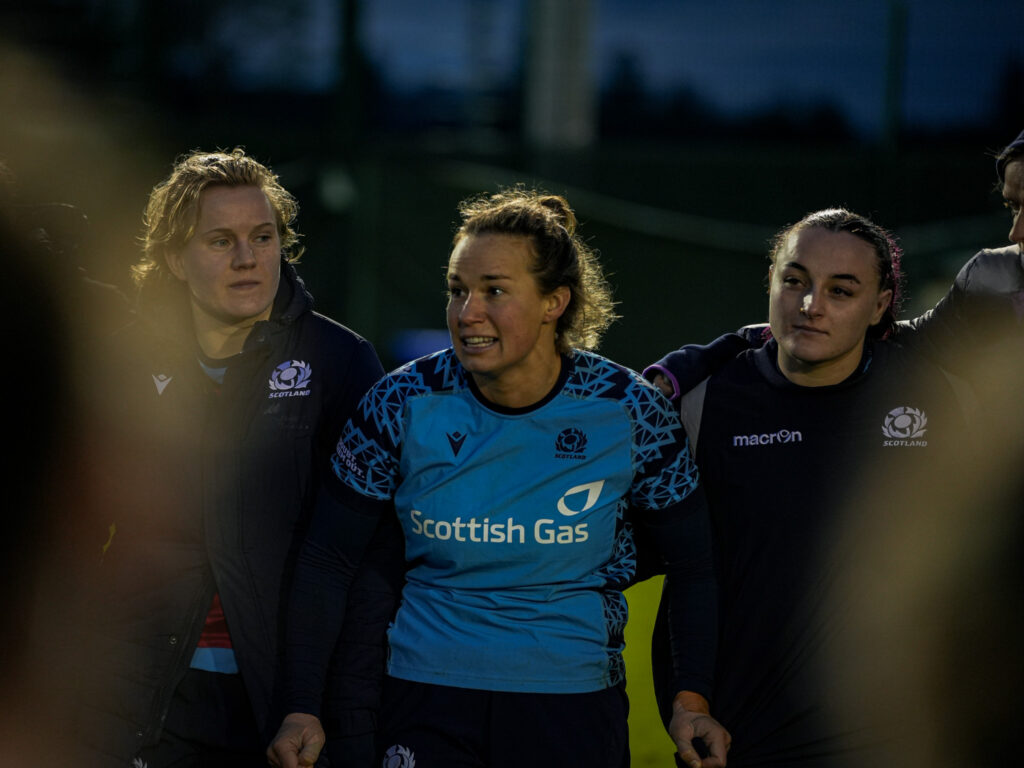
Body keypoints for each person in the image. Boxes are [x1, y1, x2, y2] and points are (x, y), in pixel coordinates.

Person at [269, 187, 730, 768]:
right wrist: (300, 705)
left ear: (553, 302)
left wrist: (690, 701)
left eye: (494, 291)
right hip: (423, 697)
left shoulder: (629, 410)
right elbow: (326, 559)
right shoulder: (399, 401)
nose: (467, 314)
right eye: (457, 290)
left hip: (572, 703)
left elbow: (693, 565)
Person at [646, 197, 1023, 766]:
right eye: (794, 280)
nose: (810, 305)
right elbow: (685, 576)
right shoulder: (702, 400)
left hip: (888, 733)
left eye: (841, 291)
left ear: (881, 307)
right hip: (737, 733)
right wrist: (688, 700)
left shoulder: (935, 393)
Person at [70, 148, 388, 767]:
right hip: (142, 695)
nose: (248, 259)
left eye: (263, 237)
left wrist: (327, 705)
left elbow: (370, 556)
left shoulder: (340, 362)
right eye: (220, 241)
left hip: (287, 701)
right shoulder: (122, 363)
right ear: (174, 259)